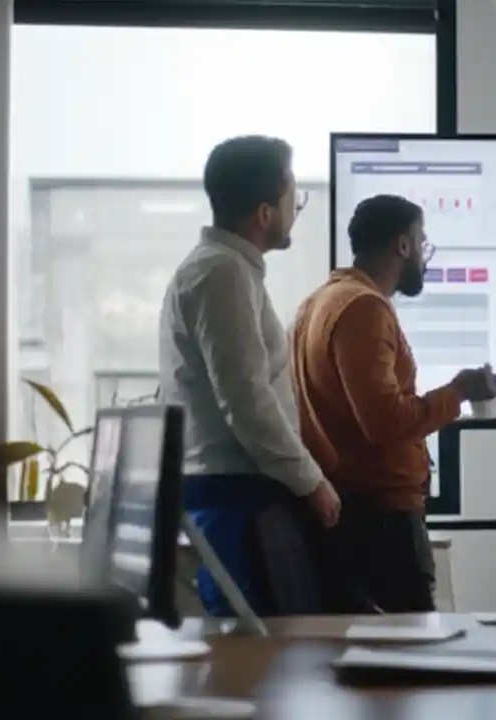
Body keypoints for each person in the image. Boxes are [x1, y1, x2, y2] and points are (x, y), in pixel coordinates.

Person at [290, 193, 496, 613]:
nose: (424, 256)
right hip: (380, 522)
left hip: (349, 512)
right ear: (402, 245)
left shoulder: (317, 302)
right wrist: (459, 392)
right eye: (422, 243)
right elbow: (385, 422)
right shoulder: (364, 307)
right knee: (412, 659)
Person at [159, 135, 341, 617]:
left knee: (254, 649)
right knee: (256, 651)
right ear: (264, 213)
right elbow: (246, 399)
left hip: (236, 491)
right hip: (236, 495)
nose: (295, 210)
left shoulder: (225, 270)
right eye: (292, 199)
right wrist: (311, 481)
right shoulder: (222, 275)